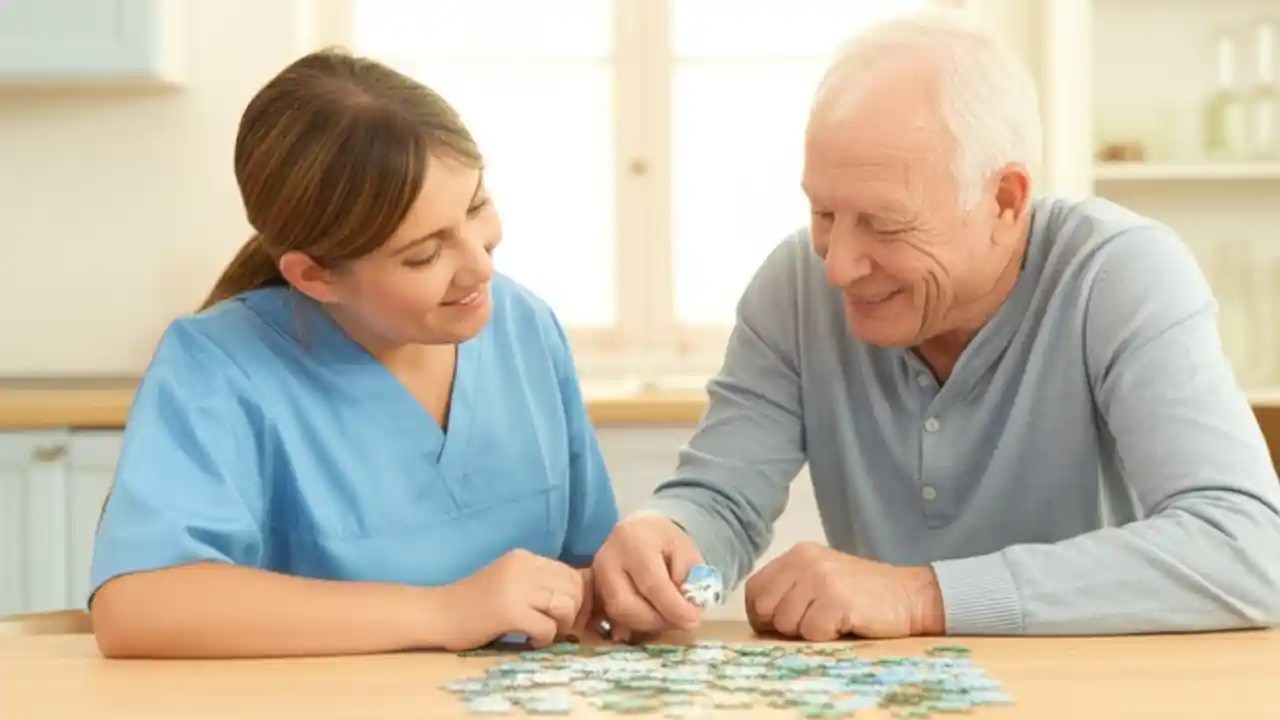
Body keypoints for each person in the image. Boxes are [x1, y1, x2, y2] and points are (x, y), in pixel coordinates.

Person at [591, 9, 1280, 641]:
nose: (839, 266)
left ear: (1005, 200)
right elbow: (724, 504)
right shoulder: (795, 284)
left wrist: (923, 596)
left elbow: (1249, 549)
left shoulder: (1121, 275)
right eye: (824, 213)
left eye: (884, 223)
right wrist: (670, 535)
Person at [88, 48, 619, 658]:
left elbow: (587, 570)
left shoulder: (525, 328)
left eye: (475, 205)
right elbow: (138, 609)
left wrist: (633, 577)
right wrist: (444, 611)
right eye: (424, 254)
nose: (479, 262)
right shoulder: (219, 366)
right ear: (316, 277)